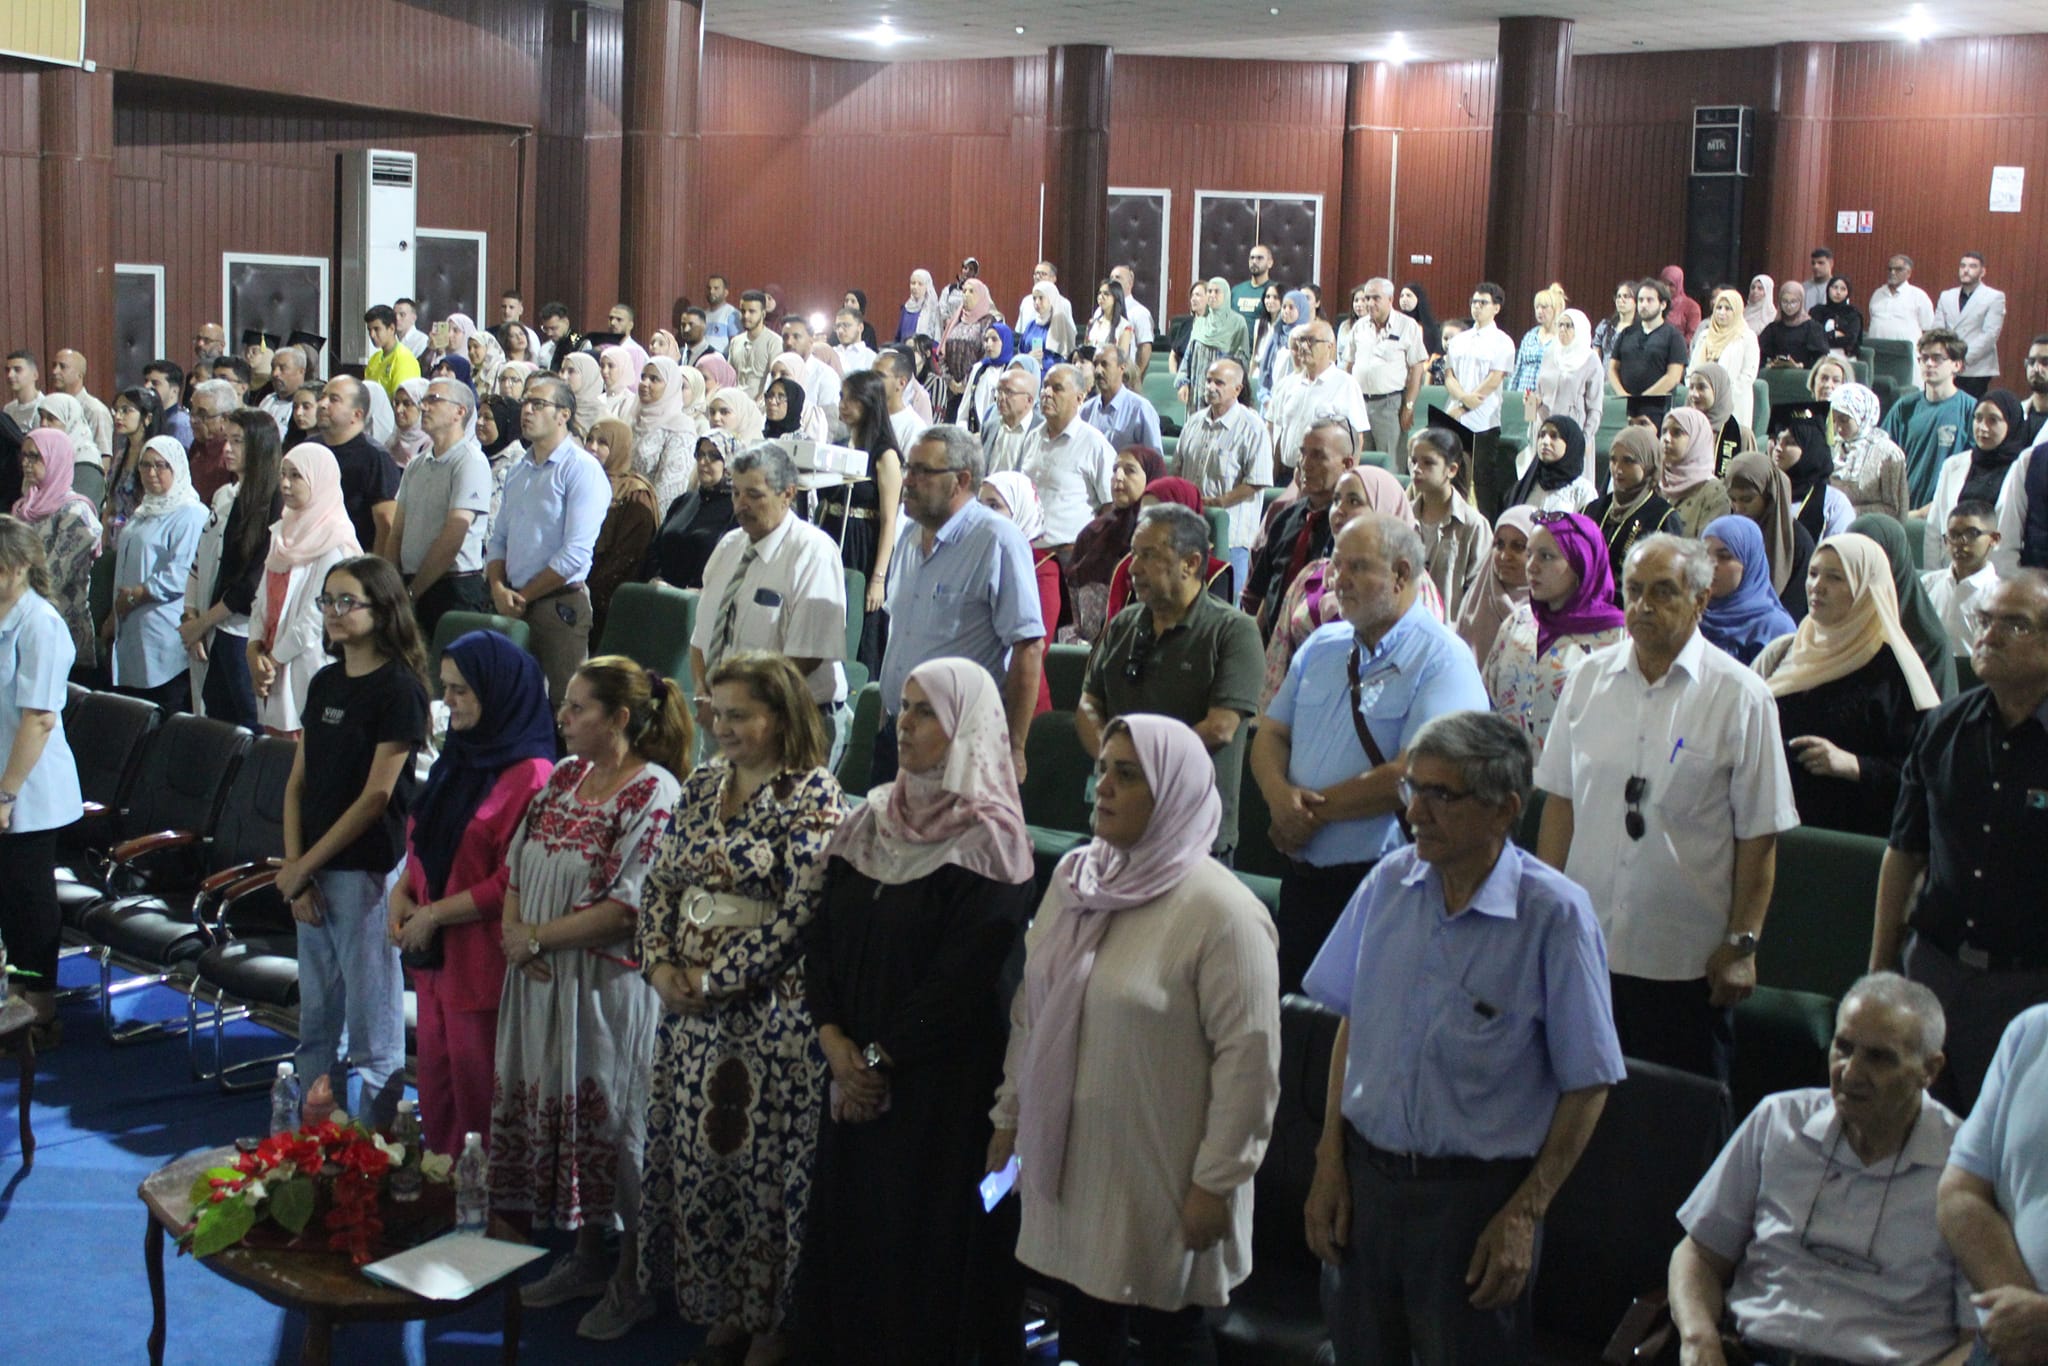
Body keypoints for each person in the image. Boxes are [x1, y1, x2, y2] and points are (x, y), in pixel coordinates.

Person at [1304, 709, 1624, 1366]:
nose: (1415, 811)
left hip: (1474, 1204)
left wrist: (1525, 1213)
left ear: (1504, 809)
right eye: (1410, 789)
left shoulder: (1555, 917)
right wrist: (1329, 1161)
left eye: (1439, 795)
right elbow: (1352, 1026)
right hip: (1367, 1184)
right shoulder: (1389, 883)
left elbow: (1589, 1081)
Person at [992, 714, 1281, 1365]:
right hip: (1078, 1162)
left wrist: (1217, 1180)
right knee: (1087, 1320)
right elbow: (1031, 1012)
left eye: (1128, 775)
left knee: (1170, 1332)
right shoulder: (1076, 881)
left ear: (1175, 790)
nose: (1104, 788)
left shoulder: (1223, 913)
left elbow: (1251, 1067)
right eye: (1103, 771)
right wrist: (1007, 1119)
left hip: (1167, 1172)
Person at [798, 658, 1034, 1364]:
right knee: (851, 1244)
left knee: (918, 1260)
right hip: (852, 1078)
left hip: (937, 1094)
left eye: (926, 712)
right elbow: (822, 940)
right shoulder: (870, 819)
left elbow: (960, 983)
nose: (905, 724)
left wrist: (875, 1061)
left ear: (965, 729)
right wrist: (835, 1041)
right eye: (903, 708)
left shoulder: (991, 842)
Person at [635, 651, 841, 1359]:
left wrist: (720, 978)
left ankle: (769, 1325)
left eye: (740, 715)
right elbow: (660, 882)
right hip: (688, 1014)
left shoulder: (813, 794)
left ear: (782, 717)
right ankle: (722, 1307)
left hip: (767, 1019)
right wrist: (658, 963)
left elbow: (801, 912)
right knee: (702, 1168)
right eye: (715, 713)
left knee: (760, 1178)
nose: (722, 727)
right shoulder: (700, 784)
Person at [1536, 533, 1799, 1081]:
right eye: (1633, 590)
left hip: (1684, 962)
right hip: (1588, 947)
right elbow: (1560, 803)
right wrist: (1545, 913)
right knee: (1582, 1107)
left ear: (1700, 600)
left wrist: (1742, 943)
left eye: (1662, 592)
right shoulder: (1587, 679)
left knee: (1676, 1128)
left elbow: (1759, 834)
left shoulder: (1741, 698)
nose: (1642, 607)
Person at [491, 657, 686, 1340]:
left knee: (613, 1127)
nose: (562, 719)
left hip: (602, 992)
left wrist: (536, 938)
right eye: (563, 706)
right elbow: (516, 860)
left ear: (620, 719)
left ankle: (632, 1280)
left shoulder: (654, 793)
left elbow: (628, 906)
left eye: (577, 709)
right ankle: (584, 1255)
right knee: (560, 1120)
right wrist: (518, 935)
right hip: (540, 980)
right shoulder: (566, 777)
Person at [1668, 973, 1975, 1366]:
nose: (1850, 1072)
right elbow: (1699, 1253)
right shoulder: (1777, 1120)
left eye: (1879, 1057)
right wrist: (1697, 1340)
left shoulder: (1966, 1168)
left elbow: (1978, 1339)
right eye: (1843, 1048)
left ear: (1929, 1070)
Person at [1254, 512, 1490, 988]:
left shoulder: (1443, 658)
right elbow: (1271, 733)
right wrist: (1281, 799)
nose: (1339, 580)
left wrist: (1309, 815)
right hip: (1302, 876)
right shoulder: (1321, 645)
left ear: (1401, 574)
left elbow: (1417, 771)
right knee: (1296, 1029)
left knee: (1363, 1034)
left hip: (1387, 882)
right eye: (1337, 566)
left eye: (1356, 567)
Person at [1874, 571, 2048, 1111]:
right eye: (1984, 620)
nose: (1989, 635)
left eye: (2014, 624)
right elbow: (1905, 852)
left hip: (2030, 986)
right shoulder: (1945, 728)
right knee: (1915, 1136)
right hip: (1935, 970)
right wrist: (1881, 966)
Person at [388, 631, 553, 1156]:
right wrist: (402, 890)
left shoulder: (532, 774)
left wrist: (433, 913)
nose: (448, 701)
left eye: (461, 690)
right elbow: (428, 834)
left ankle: (486, 1221)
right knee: (437, 1097)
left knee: (481, 1108)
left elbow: (512, 879)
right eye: (446, 688)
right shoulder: (458, 757)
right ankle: (442, 1204)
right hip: (434, 959)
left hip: (482, 968)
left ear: (497, 691)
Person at [275, 556, 426, 1124]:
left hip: (362, 873)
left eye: (347, 602)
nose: (334, 613)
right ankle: (312, 1147)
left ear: (381, 610)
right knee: (316, 1024)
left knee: (371, 1029)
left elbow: (375, 799)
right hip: (312, 873)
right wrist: (296, 871)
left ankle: (372, 1154)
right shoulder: (324, 681)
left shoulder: (399, 689)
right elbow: (298, 784)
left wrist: (305, 865)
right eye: (328, 602)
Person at [1078, 503, 1264, 860]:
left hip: (1192, 833)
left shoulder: (1232, 631)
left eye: (1148, 555)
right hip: (1117, 828)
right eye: (1133, 554)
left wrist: (1139, 768)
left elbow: (1221, 727)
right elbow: (1089, 702)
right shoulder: (1124, 624)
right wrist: (1112, 758)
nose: (1132, 568)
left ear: (1191, 563)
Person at [876, 425, 1044, 787]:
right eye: (908, 469)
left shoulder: (996, 541)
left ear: (961, 480)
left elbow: (1028, 647)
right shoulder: (908, 535)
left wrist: (1014, 747)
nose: (907, 481)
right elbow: (900, 631)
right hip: (897, 732)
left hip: (958, 740)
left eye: (922, 471)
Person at [1756, 532, 1942, 838]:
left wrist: (1853, 765)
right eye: (1813, 574)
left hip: (1847, 840)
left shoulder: (1894, 673)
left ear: (1865, 589)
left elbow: (1924, 777)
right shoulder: (1787, 650)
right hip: (1772, 825)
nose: (1817, 586)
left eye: (1836, 578)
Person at [690, 441, 848, 755]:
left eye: (754, 495)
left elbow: (806, 656)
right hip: (723, 716)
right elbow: (702, 637)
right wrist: (703, 694)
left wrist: (740, 705)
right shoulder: (729, 546)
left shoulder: (812, 552)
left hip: (788, 719)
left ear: (788, 494)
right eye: (736, 493)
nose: (740, 505)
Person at [1258, 466, 1444, 706]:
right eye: (1336, 500)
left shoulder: (1410, 582)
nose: (1339, 510)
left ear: (1384, 510)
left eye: (1354, 500)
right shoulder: (1312, 575)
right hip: (1304, 713)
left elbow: (1419, 663)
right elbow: (1278, 659)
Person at [0, 516, 83, 1045]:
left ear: (22, 564)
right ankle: (13, 1000)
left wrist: (6, 793)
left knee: (28, 904)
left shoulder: (39, 622)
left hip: (28, 787)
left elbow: (39, 717)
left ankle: (39, 1009)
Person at [488, 372, 609, 706]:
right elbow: (499, 538)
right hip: (512, 600)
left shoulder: (581, 469)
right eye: (525, 402)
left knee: (565, 709)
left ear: (563, 415)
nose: (527, 410)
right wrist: (499, 588)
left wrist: (522, 596)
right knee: (508, 704)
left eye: (538, 403)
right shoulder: (519, 469)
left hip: (557, 605)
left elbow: (575, 553)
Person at [1484, 512, 1628, 754]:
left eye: (1547, 557)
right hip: (1508, 775)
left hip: (1576, 783)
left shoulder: (1615, 638)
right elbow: (1490, 697)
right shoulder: (1518, 623)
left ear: (1581, 563)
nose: (1532, 566)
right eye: (1529, 554)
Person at [248, 446, 362, 736]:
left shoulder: (335, 540)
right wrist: (253, 648)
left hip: (303, 666)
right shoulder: (283, 531)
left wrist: (273, 661)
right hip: (270, 663)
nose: (285, 483)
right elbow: (262, 598)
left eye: (296, 476)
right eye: (283, 474)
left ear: (318, 480)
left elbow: (316, 616)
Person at [182, 410, 281, 725]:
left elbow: (250, 584)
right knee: (216, 721)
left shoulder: (276, 501)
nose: (227, 448)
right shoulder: (228, 495)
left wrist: (201, 624)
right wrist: (192, 616)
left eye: (238, 441)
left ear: (260, 447)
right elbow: (204, 562)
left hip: (244, 633)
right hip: (217, 627)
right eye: (227, 440)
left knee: (250, 724)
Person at [104, 437, 207, 712]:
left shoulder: (191, 513)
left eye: (161, 466)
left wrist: (138, 595)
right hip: (133, 626)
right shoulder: (145, 510)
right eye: (145, 466)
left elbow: (182, 573)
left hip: (164, 629)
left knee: (162, 713)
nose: (151, 473)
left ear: (177, 468)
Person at [389, 377, 492, 636]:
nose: (424, 407)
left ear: (460, 411)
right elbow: (397, 529)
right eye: (423, 400)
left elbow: (453, 536)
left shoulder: (469, 461)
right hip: (412, 583)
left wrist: (413, 591)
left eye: (433, 400)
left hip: (453, 587)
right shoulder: (416, 464)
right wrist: (391, 586)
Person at [1243, 420, 1355, 636]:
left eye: (1318, 456)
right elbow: (1266, 595)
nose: (1305, 464)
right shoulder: (1286, 517)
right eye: (1303, 453)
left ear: (1347, 464)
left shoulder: (1349, 528)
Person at [826, 369, 904, 675]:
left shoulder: (885, 454)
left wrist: (878, 578)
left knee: (860, 628)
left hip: (863, 544)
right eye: (842, 398)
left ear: (870, 403)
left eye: (853, 399)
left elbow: (889, 521)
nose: (844, 405)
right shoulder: (840, 443)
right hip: (834, 534)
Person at [1175, 357, 1269, 592]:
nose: (1210, 387)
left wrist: (1217, 503)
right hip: (1191, 533)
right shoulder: (1194, 422)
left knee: (1224, 605)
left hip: (1232, 538)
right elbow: (1178, 469)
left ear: (1237, 389)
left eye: (1219, 383)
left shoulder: (1253, 427)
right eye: (1208, 381)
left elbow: (1256, 481)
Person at [11, 428, 101, 669]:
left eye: (35, 457)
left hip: (59, 627)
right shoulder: (24, 507)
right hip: (17, 622)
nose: (27, 464)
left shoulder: (76, 515)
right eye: (24, 457)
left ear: (56, 460)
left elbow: (51, 578)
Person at [1849, 512, 1960, 702]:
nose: (1859, 571)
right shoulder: (1834, 624)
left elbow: (1938, 723)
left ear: (1892, 563)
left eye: (1870, 561)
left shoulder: (1928, 644)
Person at [977, 472, 1059, 714]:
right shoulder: (974, 556)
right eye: (980, 505)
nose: (984, 514)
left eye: (995, 506)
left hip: (1020, 704)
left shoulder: (1042, 567)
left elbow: (1033, 645)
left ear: (1020, 511)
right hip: (973, 695)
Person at [1066, 445, 1166, 642]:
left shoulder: (1158, 539)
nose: (1117, 477)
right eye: (1115, 470)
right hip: (1083, 648)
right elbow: (1069, 608)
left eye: (1129, 471)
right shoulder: (1092, 533)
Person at [1923, 390, 2028, 573]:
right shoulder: (1953, 465)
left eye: (1993, 420)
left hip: (1998, 577)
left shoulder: (2023, 469)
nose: (1982, 427)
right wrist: (1934, 577)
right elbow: (1934, 529)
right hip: (1951, 573)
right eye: (1978, 418)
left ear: (2011, 424)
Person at [1024, 363, 1118, 557]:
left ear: (1080, 398)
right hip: (1028, 551)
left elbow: (1111, 505)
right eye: (1045, 386)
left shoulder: (1094, 443)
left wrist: (1090, 548)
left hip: (1069, 553)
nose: (1047, 393)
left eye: (1057, 388)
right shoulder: (1033, 437)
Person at [1585, 426, 1685, 603]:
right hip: (1586, 609)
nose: (1617, 468)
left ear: (1648, 465)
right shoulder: (1593, 510)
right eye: (1613, 460)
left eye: (1628, 461)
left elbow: (1669, 582)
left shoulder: (1662, 517)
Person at [1882, 328, 1978, 510]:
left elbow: (1975, 469)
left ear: (1957, 365)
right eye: (1924, 358)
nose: (1929, 363)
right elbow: (1884, 456)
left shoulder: (1971, 410)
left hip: (1947, 510)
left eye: (1937, 358)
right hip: (1903, 508)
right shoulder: (1904, 407)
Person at [1444, 283, 1518, 515]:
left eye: (1483, 303)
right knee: (1452, 475)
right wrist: (1461, 399)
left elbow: (1494, 379)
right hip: (1454, 414)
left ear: (1496, 308)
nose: (1477, 307)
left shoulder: (1502, 341)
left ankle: (1485, 528)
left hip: (1483, 420)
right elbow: (1449, 375)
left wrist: (1465, 405)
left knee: (1481, 480)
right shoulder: (1459, 339)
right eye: (1474, 302)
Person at [580, 417, 658, 639]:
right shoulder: (581, 481)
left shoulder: (634, 493)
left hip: (609, 601)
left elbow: (629, 555)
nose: (592, 447)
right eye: (590, 440)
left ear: (619, 447)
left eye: (603, 442)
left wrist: (591, 588)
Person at [1409, 424, 1493, 622]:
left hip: (1450, 632)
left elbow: (1479, 593)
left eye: (1428, 463)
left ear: (1452, 470)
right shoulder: (1403, 517)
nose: (1416, 469)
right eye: (1414, 461)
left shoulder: (1473, 525)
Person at [315, 376, 402, 558]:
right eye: (322, 397)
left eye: (334, 399)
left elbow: (386, 523)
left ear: (357, 414)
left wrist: (371, 574)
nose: (322, 404)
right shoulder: (311, 448)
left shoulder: (375, 458)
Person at [1725, 450, 1816, 621]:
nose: (1738, 508)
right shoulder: (1729, 533)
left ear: (1769, 497)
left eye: (1747, 499)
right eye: (1732, 499)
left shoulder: (1797, 542)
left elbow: (1794, 610)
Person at [1344, 278, 1428, 462]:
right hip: (1360, 404)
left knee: (1389, 461)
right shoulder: (1359, 327)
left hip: (1390, 404)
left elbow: (1417, 369)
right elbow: (1349, 364)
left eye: (1376, 298)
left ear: (1390, 299)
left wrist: (1409, 406)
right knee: (1360, 459)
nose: (1369, 303)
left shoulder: (1407, 325)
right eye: (1367, 298)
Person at [1700, 514, 1797, 666]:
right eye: (1704, 556)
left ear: (1750, 564)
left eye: (1724, 557)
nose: (1711, 565)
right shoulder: (1693, 615)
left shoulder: (1775, 628)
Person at [642, 437, 735, 591]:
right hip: (662, 598)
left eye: (713, 456)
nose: (703, 461)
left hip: (702, 603)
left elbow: (731, 563)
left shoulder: (735, 510)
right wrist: (656, 578)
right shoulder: (683, 501)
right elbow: (655, 548)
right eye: (700, 454)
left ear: (730, 461)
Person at [1454, 504, 1537, 665]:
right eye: (1499, 545)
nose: (1505, 556)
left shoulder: (1550, 611)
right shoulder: (1476, 602)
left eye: (1518, 546)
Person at [1923, 499, 2001, 656]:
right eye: (1953, 535)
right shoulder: (1927, 584)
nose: (1960, 543)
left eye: (1972, 534)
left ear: (1994, 539)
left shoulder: (2000, 595)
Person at [1610, 276, 1689, 422]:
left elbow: (1673, 376)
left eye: (1649, 300)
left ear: (1663, 304)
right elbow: (1613, 367)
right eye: (1640, 300)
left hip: (1656, 409)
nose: (1643, 305)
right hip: (1625, 406)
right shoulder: (1627, 333)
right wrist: (1622, 394)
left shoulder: (1673, 336)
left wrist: (1643, 398)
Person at [627, 355, 699, 513]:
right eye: (643, 377)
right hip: (624, 507)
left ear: (670, 386)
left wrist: (651, 519)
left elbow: (671, 487)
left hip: (650, 514)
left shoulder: (680, 428)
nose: (645, 384)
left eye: (654, 379)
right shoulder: (634, 420)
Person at [1828, 381, 1909, 520]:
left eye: (1844, 420)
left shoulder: (1888, 453)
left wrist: (1848, 513)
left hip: (1870, 530)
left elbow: (1896, 510)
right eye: (1833, 421)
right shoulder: (1832, 446)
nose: (1838, 428)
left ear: (1862, 416)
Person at [1932, 252, 2006, 399]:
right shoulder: (1947, 295)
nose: (1966, 270)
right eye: (1963, 266)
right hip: (1947, 362)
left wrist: (1962, 359)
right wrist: (1944, 356)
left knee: (1970, 409)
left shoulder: (1994, 296)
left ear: (1982, 271)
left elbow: (1990, 334)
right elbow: (1938, 329)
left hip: (1975, 366)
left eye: (1972, 266)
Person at [1177, 278, 1250, 419]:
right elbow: (1188, 356)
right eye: (1209, 291)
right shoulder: (1200, 321)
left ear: (1226, 295)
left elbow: (1242, 359)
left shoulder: (1237, 323)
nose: (1212, 295)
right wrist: (1183, 382)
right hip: (1198, 390)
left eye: (1217, 292)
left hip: (1223, 390)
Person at [1532, 306, 1605, 442]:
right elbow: (1539, 392)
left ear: (1579, 329)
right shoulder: (1550, 354)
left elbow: (1595, 406)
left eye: (1568, 326)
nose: (1562, 330)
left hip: (1573, 430)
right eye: (1560, 325)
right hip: (1545, 426)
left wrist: (1585, 438)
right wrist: (1533, 402)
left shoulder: (1590, 359)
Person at [1506, 414, 1597, 515]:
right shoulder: (1526, 485)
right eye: (1542, 435)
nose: (1545, 441)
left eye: (1554, 436)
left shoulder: (1582, 491)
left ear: (1570, 443)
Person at [1078, 343, 1161, 454]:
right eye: (1095, 364)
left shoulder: (1140, 409)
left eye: (1104, 364)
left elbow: (1155, 461)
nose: (1098, 371)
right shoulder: (1085, 411)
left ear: (1122, 368)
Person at [1689, 285, 1761, 405]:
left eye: (1728, 308)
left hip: (1733, 402)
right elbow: (1692, 369)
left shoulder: (1747, 337)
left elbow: (1748, 375)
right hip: (1700, 400)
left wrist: (1721, 395)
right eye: (1719, 307)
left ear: (1737, 311)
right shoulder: (1705, 336)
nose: (1722, 312)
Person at [1758, 281, 1829, 370]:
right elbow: (1761, 354)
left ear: (1801, 302)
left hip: (1804, 378)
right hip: (1776, 377)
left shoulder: (1812, 328)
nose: (1789, 306)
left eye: (1793, 302)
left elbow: (1820, 358)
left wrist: (1801, 366)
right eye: (1785, 302)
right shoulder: (1773, 328)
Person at [362, 304, 421, 399]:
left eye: (377, 329)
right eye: (369, 330)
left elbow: (402, 399)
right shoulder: (374, 358)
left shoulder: (404, 359)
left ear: (392, 328)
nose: (372, 335)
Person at [1813, 274, 1865, 359]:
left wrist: (1826, 336)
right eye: (1835, 287)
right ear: (1828, 289)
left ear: (1848, 293)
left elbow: (1851, 340)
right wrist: (1833, 334)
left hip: (1846, 356)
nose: (1838, 292)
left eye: (1843, 289)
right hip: (1820, 355)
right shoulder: (1817, 311)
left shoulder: (1853, 314)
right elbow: (1814, 337)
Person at [1594, 280, 1637, 362]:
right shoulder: (1605, 326)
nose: (1621, 300)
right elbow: (1596, 355)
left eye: (1626, 296)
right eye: (1618, 296)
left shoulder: (1640, 329)